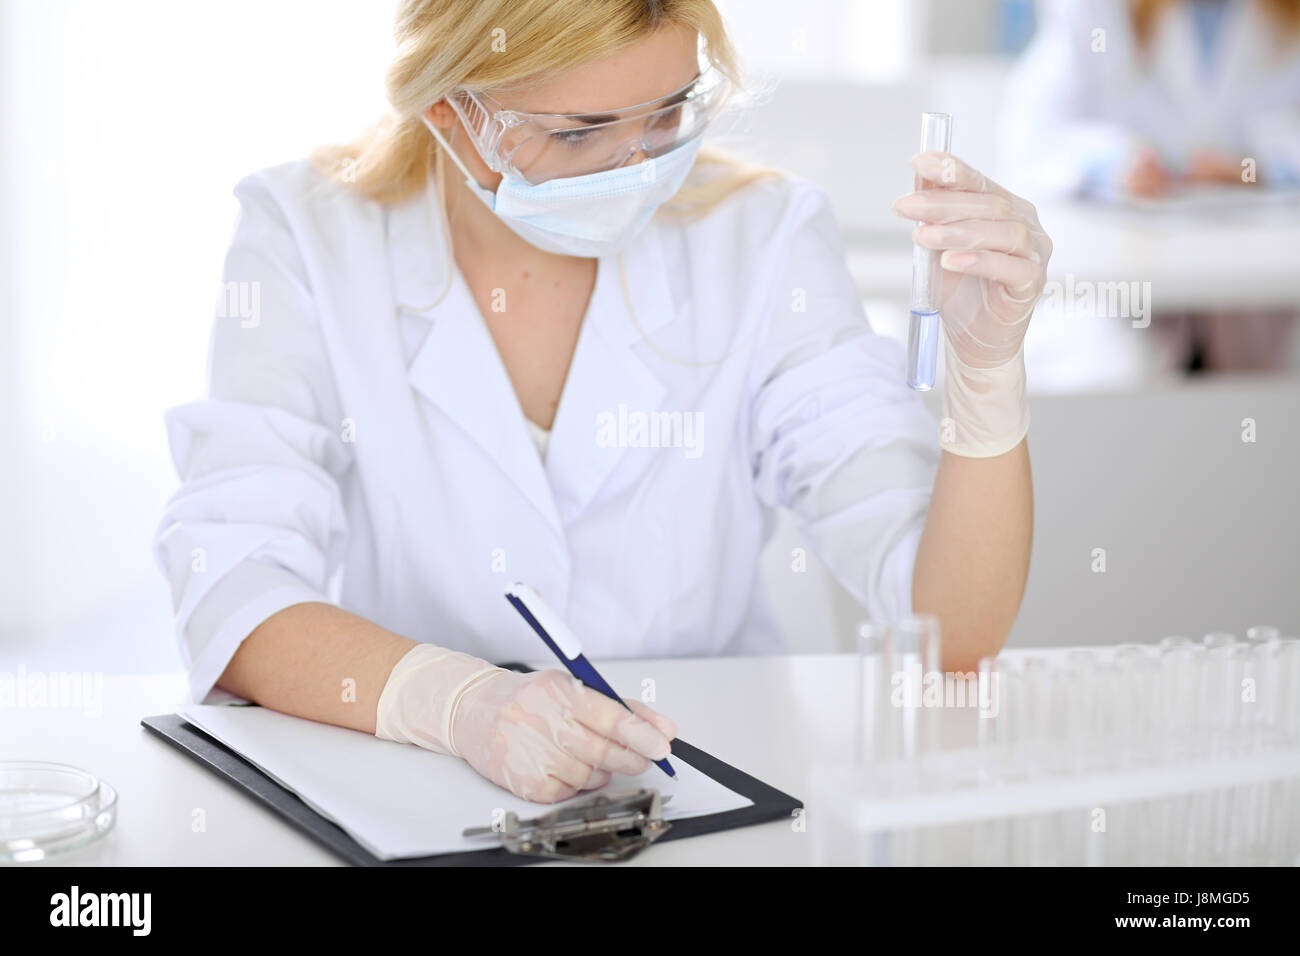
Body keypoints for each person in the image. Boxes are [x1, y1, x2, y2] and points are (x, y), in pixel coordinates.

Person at [155, 0, 1049, 803]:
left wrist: (983, 381)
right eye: (580, 133)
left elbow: (952, 633)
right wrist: (459, 704)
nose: (636, 165)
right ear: (447, 108)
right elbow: (233, 580)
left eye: (667, 114)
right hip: (427, 791)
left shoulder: (763, 237)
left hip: (710, 787)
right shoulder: (308, 234)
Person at [1000, 0, 1300, 373]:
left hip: (1263, 287)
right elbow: (1035, 136)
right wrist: (1116, 163)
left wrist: (1260, 169)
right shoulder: (1094, 12)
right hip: (1117, 282)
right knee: (1113, 367)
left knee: (1262, 393)